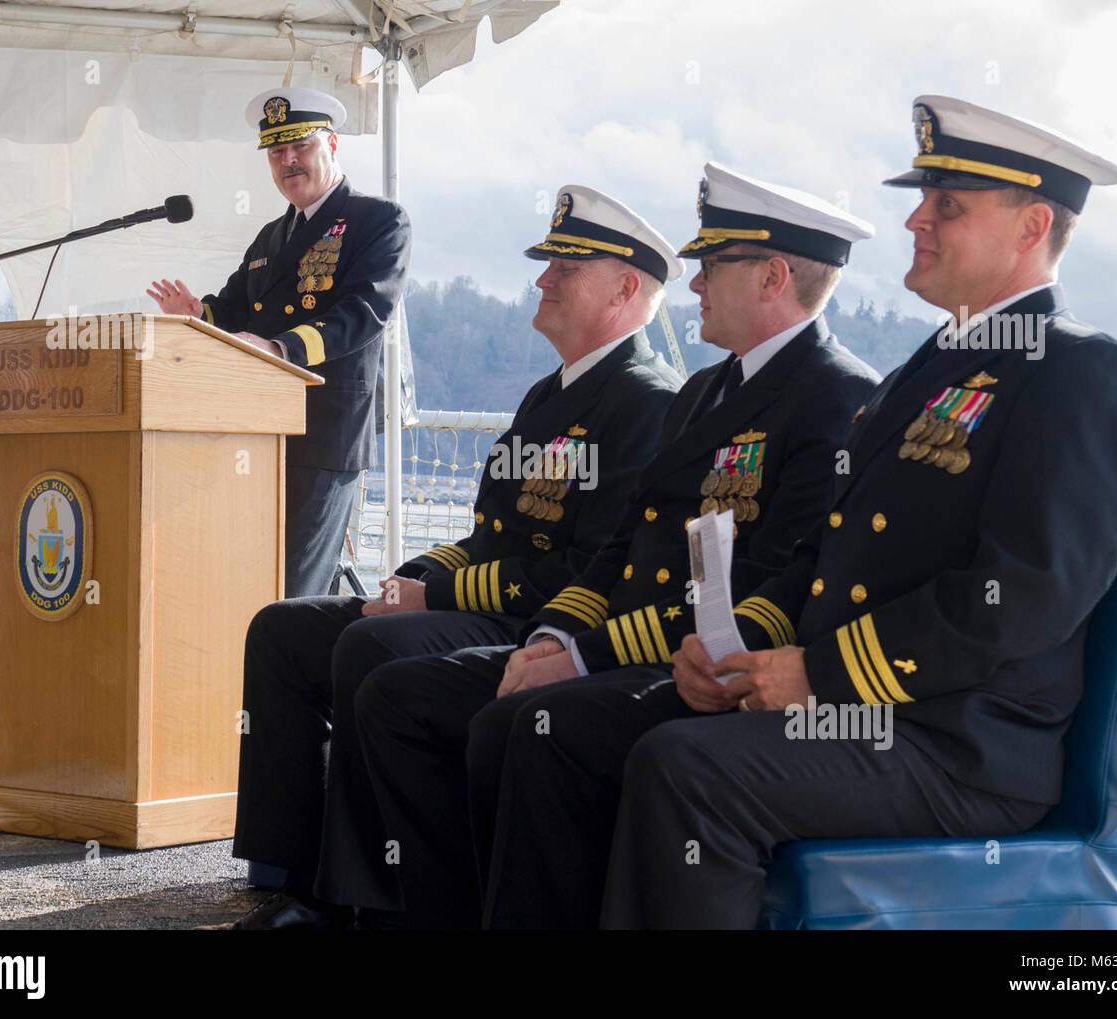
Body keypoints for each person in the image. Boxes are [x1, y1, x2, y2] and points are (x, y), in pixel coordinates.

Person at [595, 94, 1117, 929]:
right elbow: (828, 560)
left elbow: (1020, 599)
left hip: (957, 748)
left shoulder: (1080, 371)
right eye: (924, 200)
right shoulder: (926, 369)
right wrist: (735, 650)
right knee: (583, 731)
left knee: (687, 771)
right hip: (875, 717)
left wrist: (819, 678)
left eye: (947, 206)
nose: (916, 221)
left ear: (1032, 225)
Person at [351, 164, 882, 928]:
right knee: (403, 696)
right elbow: (626, 543)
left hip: (703, 663)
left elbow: (768, 587)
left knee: (533, 730)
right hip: (624, 640)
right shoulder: (706, 392)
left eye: (713, 264)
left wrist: (589, 657)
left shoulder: (838, 396)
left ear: (772, 277)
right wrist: (554, 636)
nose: (693, 284)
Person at [210, 185, 685, 930]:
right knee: (283, 629)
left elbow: (593, 569)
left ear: (626, 288)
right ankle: (285, 872)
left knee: (373, 644)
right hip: (485, 601)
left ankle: (362, 899)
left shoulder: (644, 402)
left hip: (539, 624)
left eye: (565, 267)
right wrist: (419, 576)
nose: (542, 280)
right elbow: (489, 534)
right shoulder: (546, 398)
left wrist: (435, 600)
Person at [147, 87, 411, 597]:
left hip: (323, 432)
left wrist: (282, 350)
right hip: (254, 431)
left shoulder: (376, 221)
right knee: (245, 584)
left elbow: (365, 312)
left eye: (300, 147)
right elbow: (235, 310)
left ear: (331, 145)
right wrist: (198, 316)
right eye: (276, 152)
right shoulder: (271, 236)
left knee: (293, 590)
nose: (288, 160)